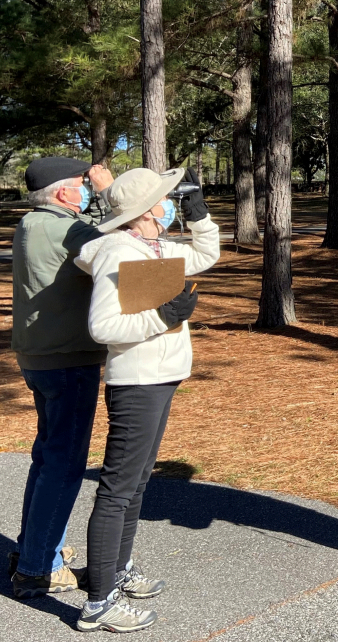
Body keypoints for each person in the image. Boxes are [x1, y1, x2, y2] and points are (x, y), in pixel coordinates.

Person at [73, 167, 219, 633]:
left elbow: (205, 254)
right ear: (146, 211)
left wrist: (199, 216)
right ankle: (98, 603)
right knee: (118, 490)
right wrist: (162, 317)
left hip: (161, 375)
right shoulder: (120, 251)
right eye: (166, 198)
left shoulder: (152, 247)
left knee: (135, 485)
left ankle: (116, 571)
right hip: (137, 382)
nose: (170, 203)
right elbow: (103, 327)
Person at [10, 156, 114, 598]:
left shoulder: (36, 222)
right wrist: (110, 193)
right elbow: (118, 244)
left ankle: (34, 548)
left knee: (47, 458)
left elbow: (91, 230)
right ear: (62, 192)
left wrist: (97, 201)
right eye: (80, 183)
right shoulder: (64, 229)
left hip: (41, 355)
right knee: (65, 464)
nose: (85, 188)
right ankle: (38, 568)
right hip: (67, 358)